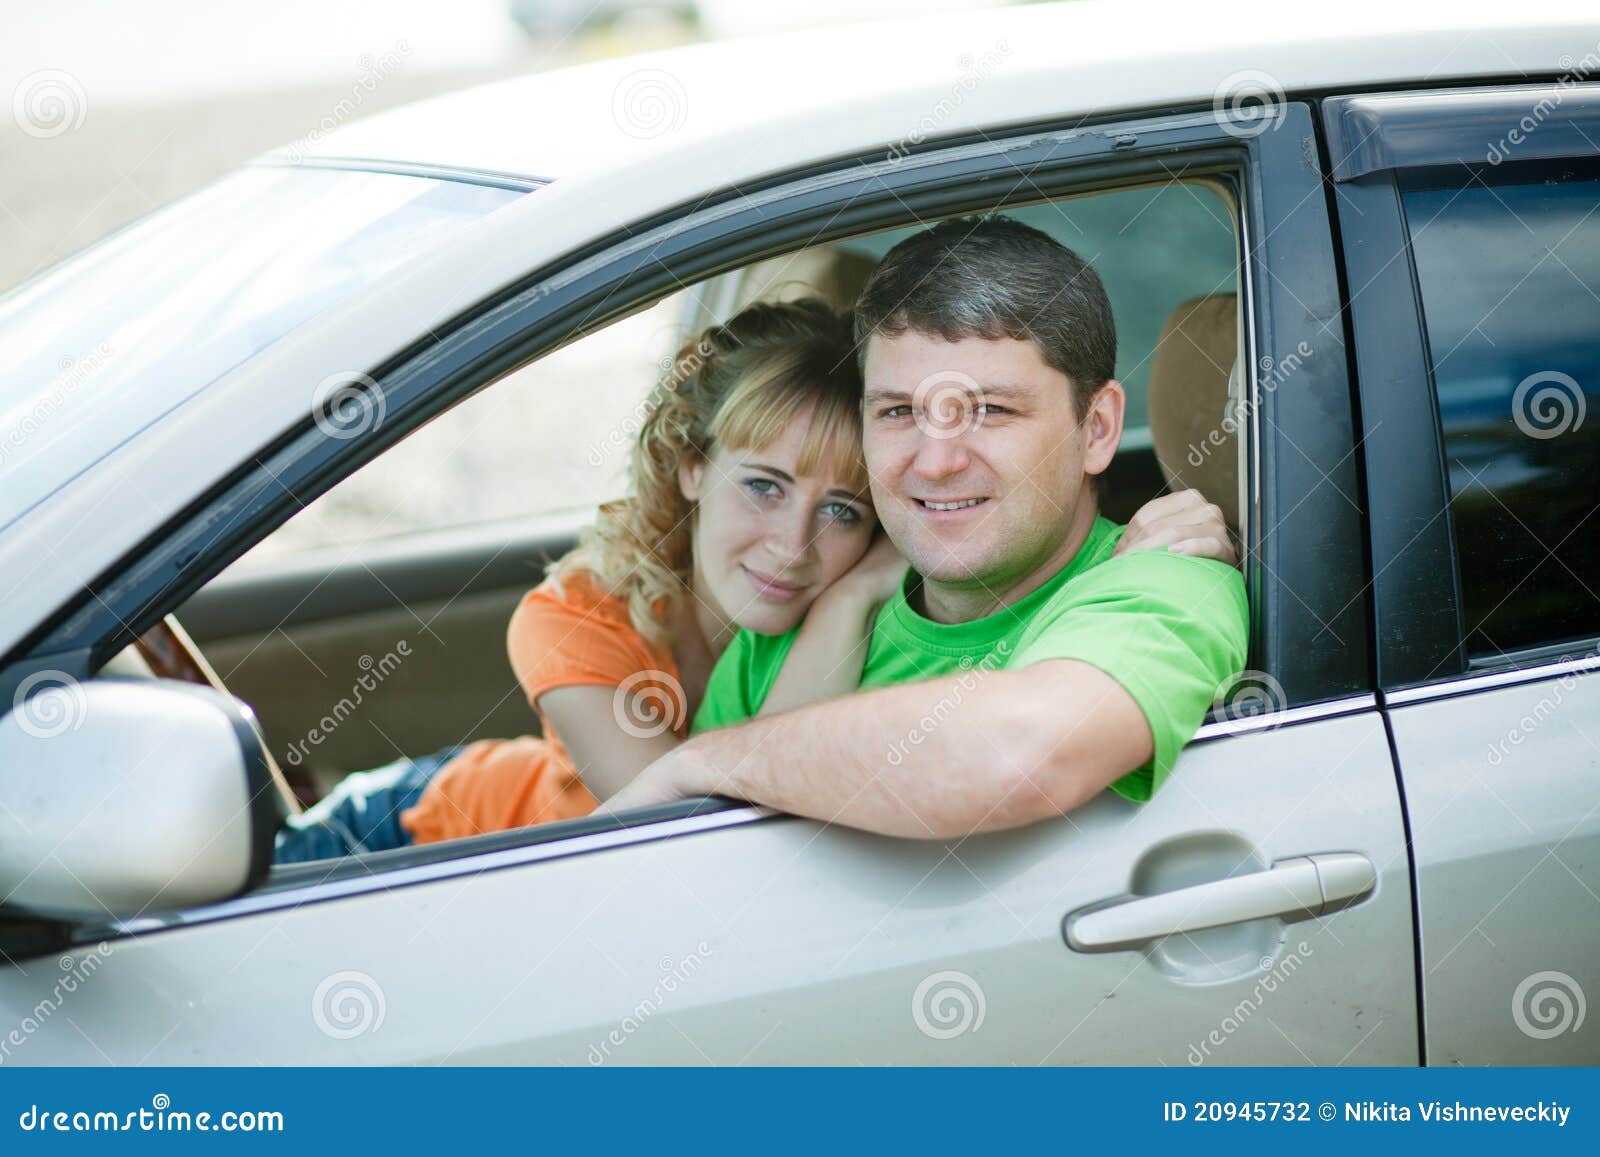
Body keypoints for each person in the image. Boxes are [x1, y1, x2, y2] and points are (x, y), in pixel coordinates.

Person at [276, 286, 1234, 861]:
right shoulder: (575, 613)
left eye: (843, 509)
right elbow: (694, 837)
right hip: (425, 830)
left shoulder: (872, 598)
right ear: (692, 464)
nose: (792, 545)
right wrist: (854, 585)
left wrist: (860, 592)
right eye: (764, 486)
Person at [602, 215, 1250, 837]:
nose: (936, 463)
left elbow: (1015, 755)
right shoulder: (795, 623)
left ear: (1098, 429)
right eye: (899, 412)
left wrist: (707, 763)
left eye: (991, 410)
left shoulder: (1164, 580)